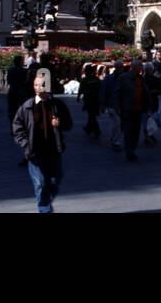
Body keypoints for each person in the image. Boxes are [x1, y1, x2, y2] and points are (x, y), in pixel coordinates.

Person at [12, 68, 73, 213]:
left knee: (55, 181)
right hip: (35, 152)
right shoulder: (27, 107)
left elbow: (69, 125)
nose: (39, 89)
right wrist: (25, 145)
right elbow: (17, 128)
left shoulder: (58, 105)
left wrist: (60, 123)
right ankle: (44, 208)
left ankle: (45, 200)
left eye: (42, 85)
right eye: (36, 85)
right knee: (41, 183)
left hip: (53, 150)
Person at [78, 64, 101, 139]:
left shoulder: (85, 79)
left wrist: (78, 97)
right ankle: (89, 128)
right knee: (92, 115)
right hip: (95, 100)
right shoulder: (96, 79)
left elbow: (81, 89)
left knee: (92, 115)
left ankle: (95, 130)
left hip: (89, 100)